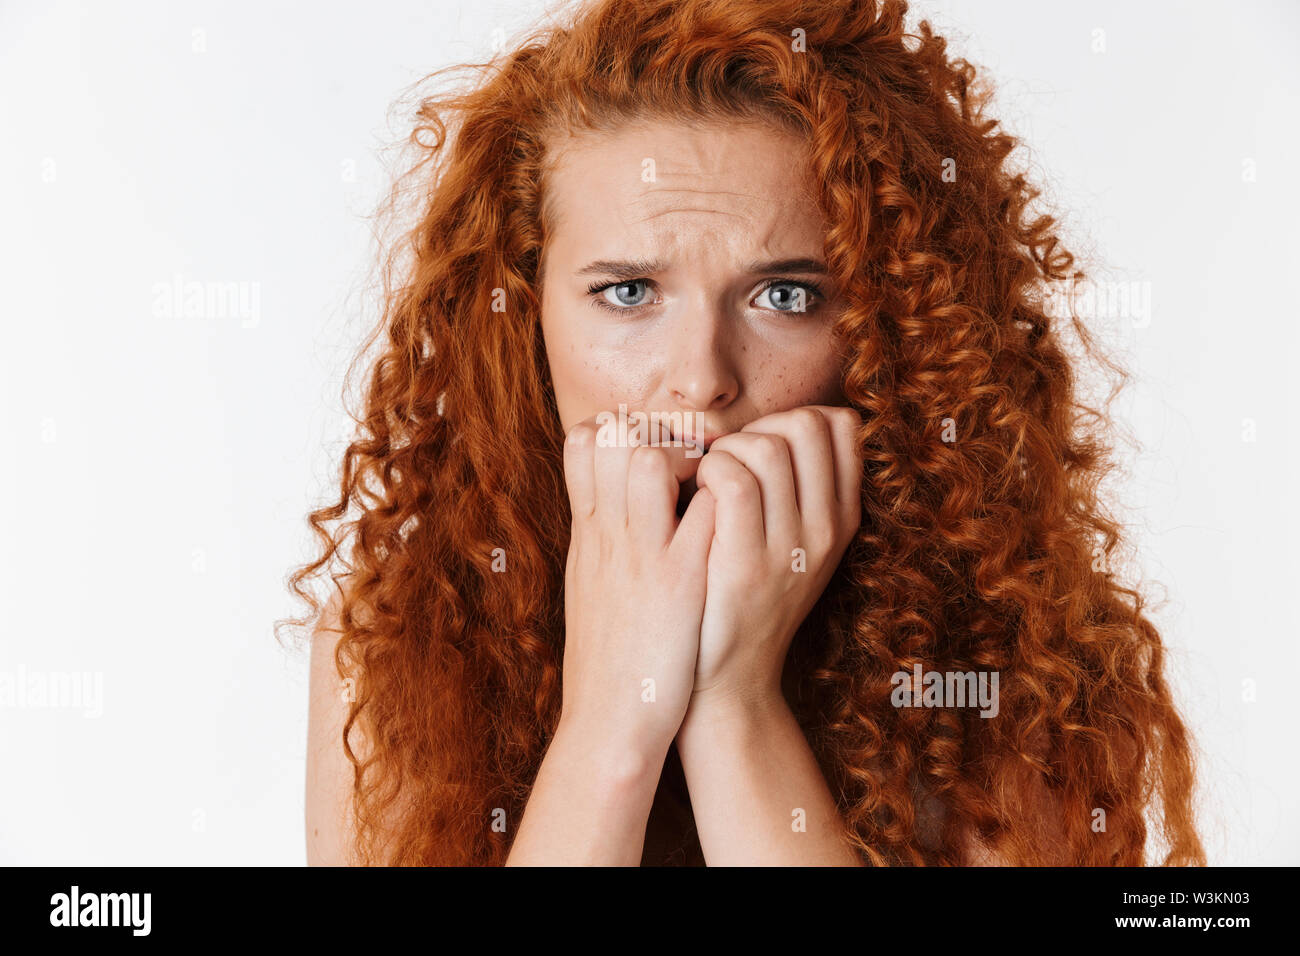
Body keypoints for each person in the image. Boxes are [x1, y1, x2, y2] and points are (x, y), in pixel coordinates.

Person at [286, 0, 1206, 866]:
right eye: (628, 293)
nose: (703, 376)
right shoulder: (397, 639)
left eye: (785, 296)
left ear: (884, 332)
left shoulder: (1013, 659)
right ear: (522, 316)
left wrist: (733, 703)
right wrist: (611, 722)